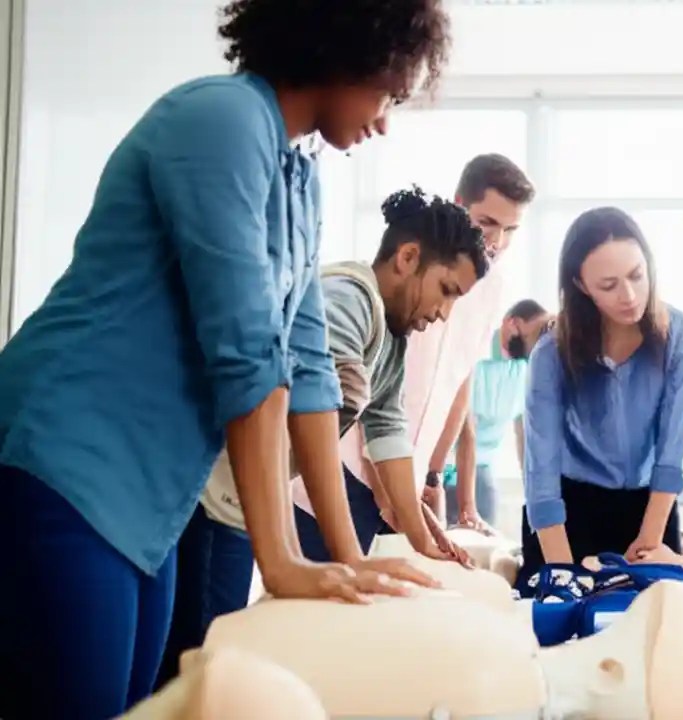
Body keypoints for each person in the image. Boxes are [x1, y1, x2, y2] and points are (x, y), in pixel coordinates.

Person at [0, 1, 451, 716]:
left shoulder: (299, 181)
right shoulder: (221, 121)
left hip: (153, 502)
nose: (386, 117)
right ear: (345, 50)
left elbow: (306, 369)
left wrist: (348, 558)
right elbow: (246, 352)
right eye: (389, 90)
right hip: (68, 461)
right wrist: (279, 559)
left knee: (146, 704)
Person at [159, 187, 488, 683]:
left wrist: (424, 537)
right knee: (201, 665)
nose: (444, 314)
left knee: (205, 656)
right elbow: (312, 412)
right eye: (447, 291)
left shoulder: (390, 336)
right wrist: (350, 557)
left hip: (238, 503)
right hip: (211, 496)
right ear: (408, 257)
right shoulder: (347, 299)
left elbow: (388, 430)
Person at [333, 153, 535, 533]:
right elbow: (371, 382)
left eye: (511, 230)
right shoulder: (412, 268)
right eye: (488, 223)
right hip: (354, 470)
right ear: (460, 205)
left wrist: (433, 475)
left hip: (407, 475)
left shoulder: (494, 289)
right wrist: (385, 489)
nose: (497, 242)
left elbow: (461, 382)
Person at [517, 207, 683, 596]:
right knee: (560, 627)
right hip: (569, 513)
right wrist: (562, 574)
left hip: (650, 509)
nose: (629, 296)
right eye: (609, 285)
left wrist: (649, 542)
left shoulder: (676, 332)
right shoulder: (550, 353)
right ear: (581, 284)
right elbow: (541, 473)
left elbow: (671, 449)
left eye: (636, 276)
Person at [443, 298, 554, 529]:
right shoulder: (472, 352)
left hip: (483, 468)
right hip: (450, 466)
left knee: (486, 538)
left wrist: (532, 491)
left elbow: (523, 432)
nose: (541, 341)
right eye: (539, 330)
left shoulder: (528, 368)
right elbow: (466, 430)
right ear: (512, 323)